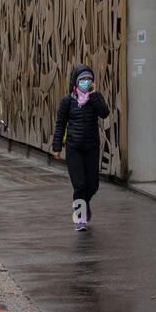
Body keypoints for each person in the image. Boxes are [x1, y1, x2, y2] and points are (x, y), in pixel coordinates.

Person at [52, 64, 109, 231]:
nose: (86, 82)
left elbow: (104, 113)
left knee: (92, 185)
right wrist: (57, 147)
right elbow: (60, 124)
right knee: (80, 185)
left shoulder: (95, 99)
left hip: (91, 147)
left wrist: (94, 95)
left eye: (89, 79)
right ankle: (79, 217)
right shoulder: (67, 101)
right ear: (76, 82)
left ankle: (85, 203)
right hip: (74, 148)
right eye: (82, 79)